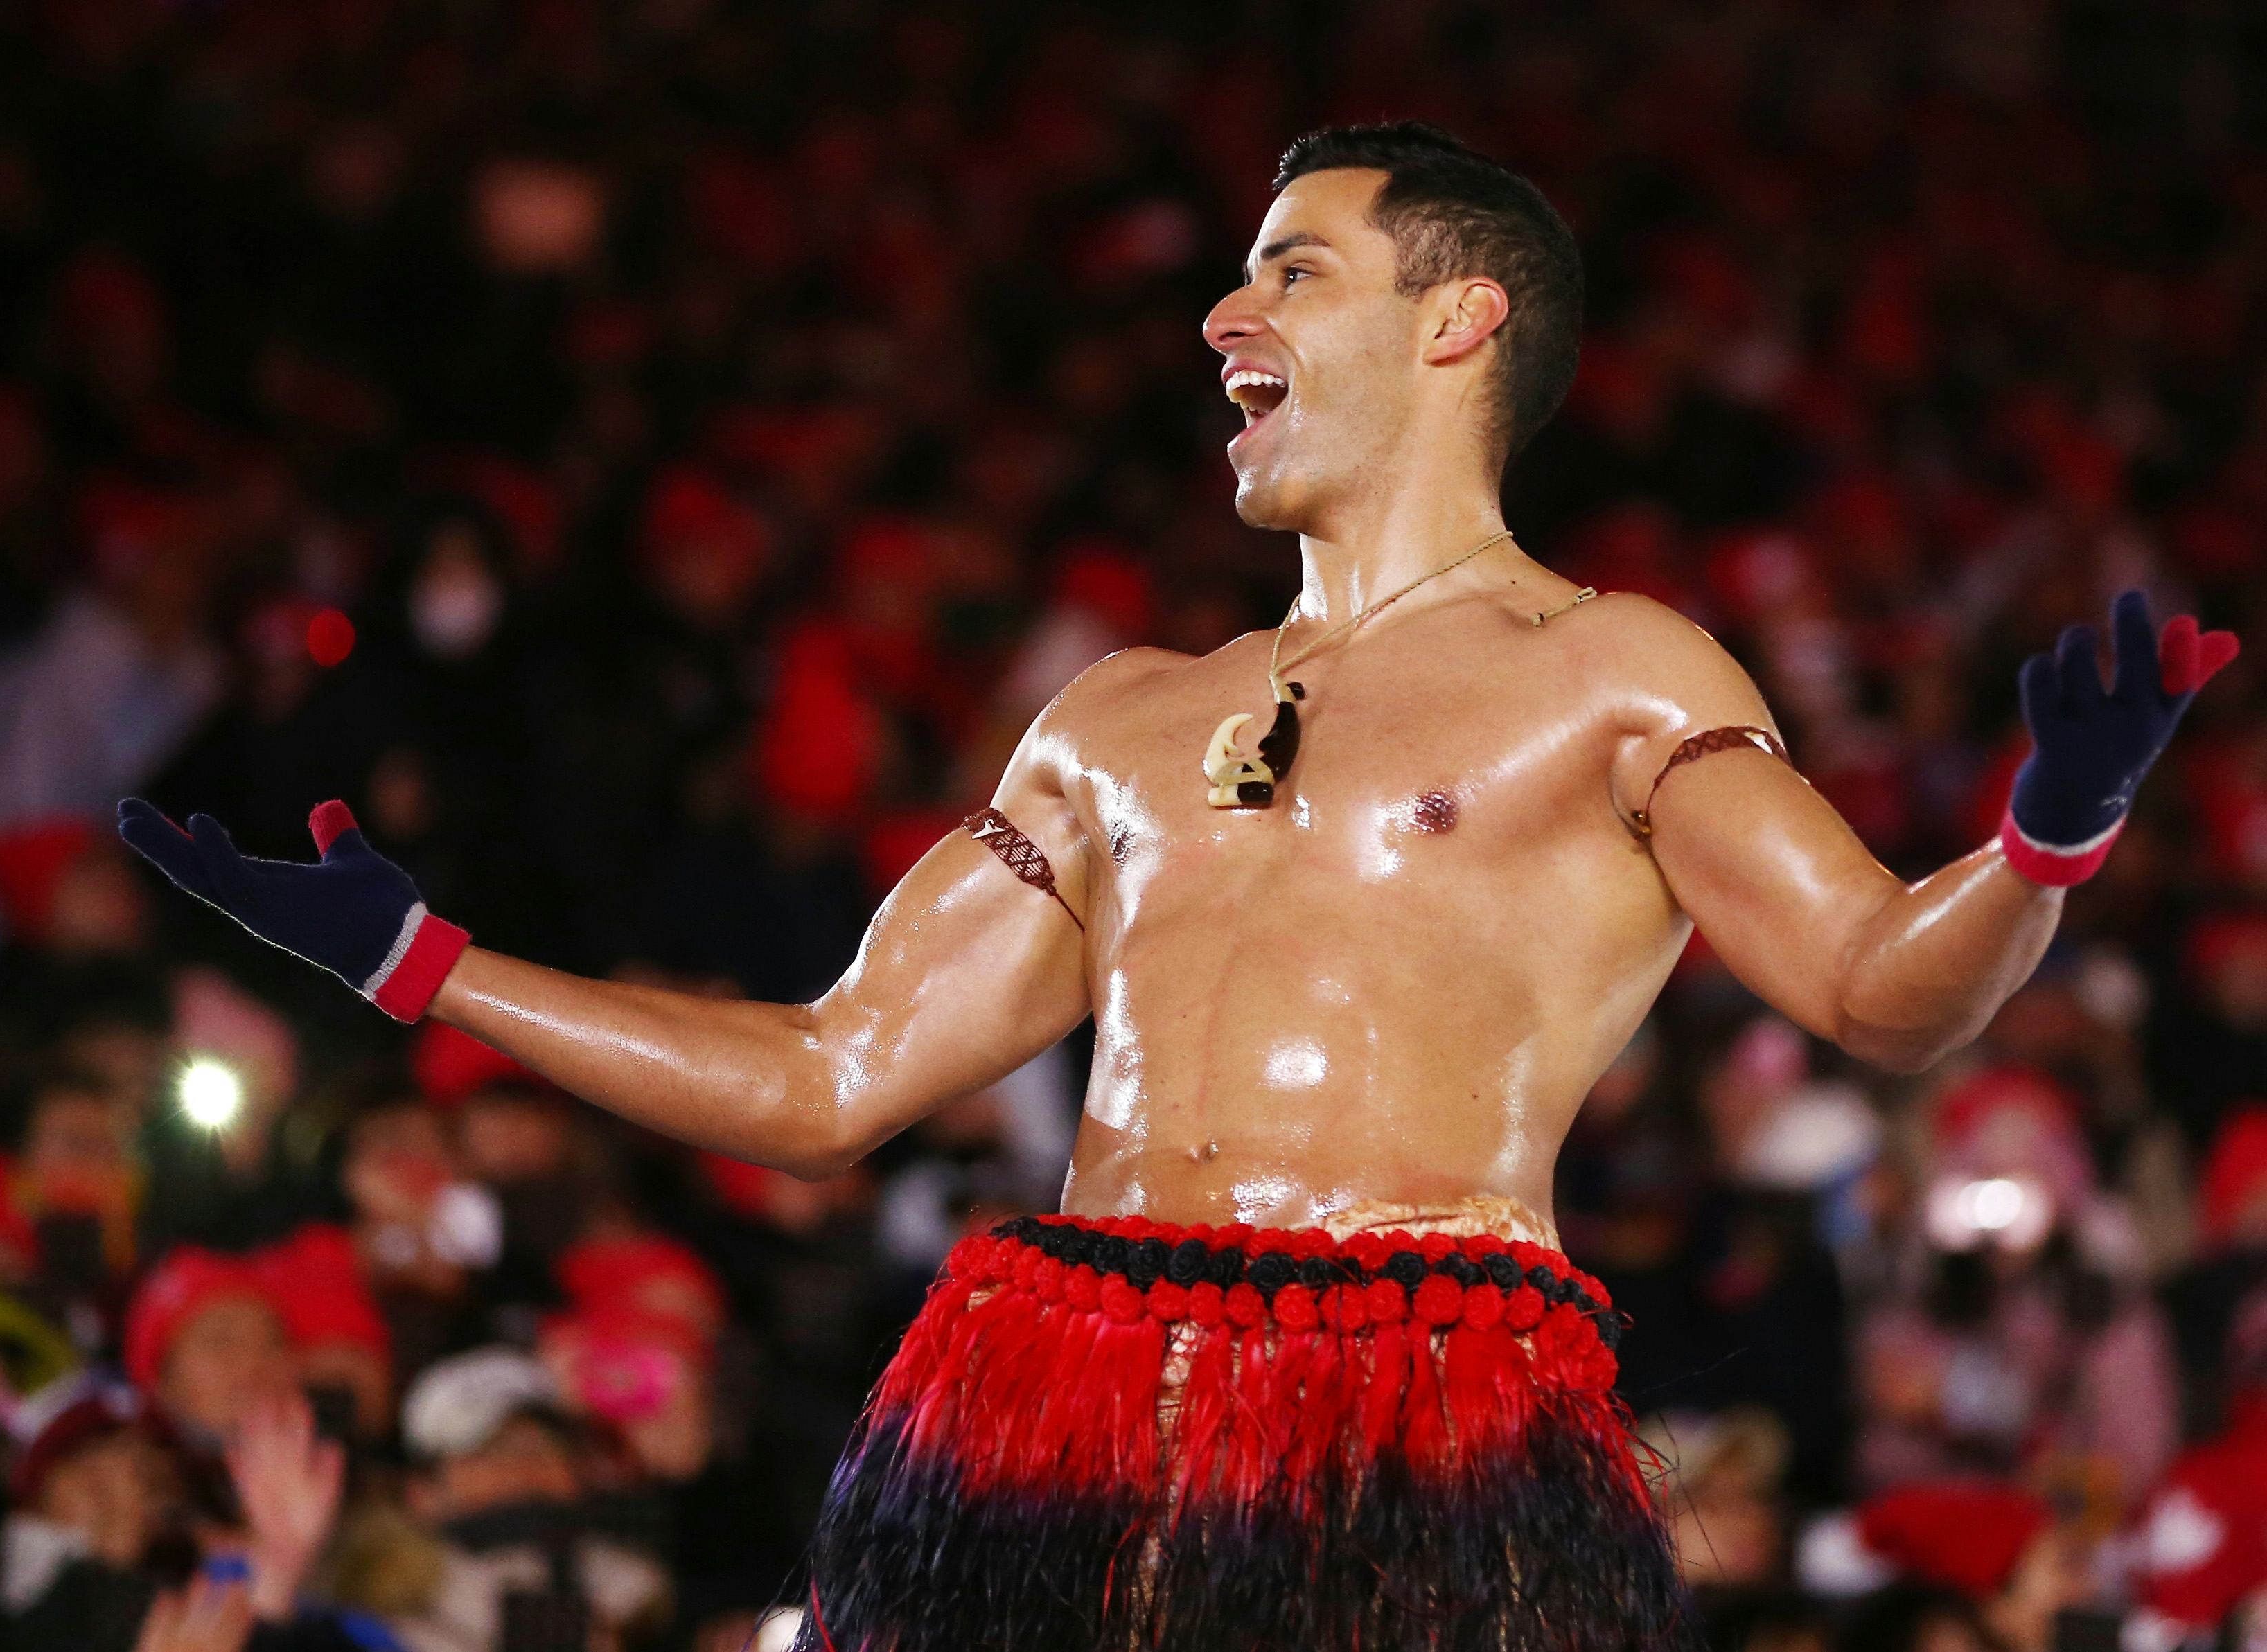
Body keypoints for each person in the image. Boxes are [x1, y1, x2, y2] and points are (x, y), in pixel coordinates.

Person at [115, 121, 2242, 1651]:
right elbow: (829, 1073)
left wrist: (2042, 836)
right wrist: (426, 961)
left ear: (1458, 318)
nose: (1223, 311)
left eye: (1290, 269)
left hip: (1413, 1420)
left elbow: (1885, 986)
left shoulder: (1610, 671)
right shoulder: (1116, 711)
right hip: (1047, 1392)